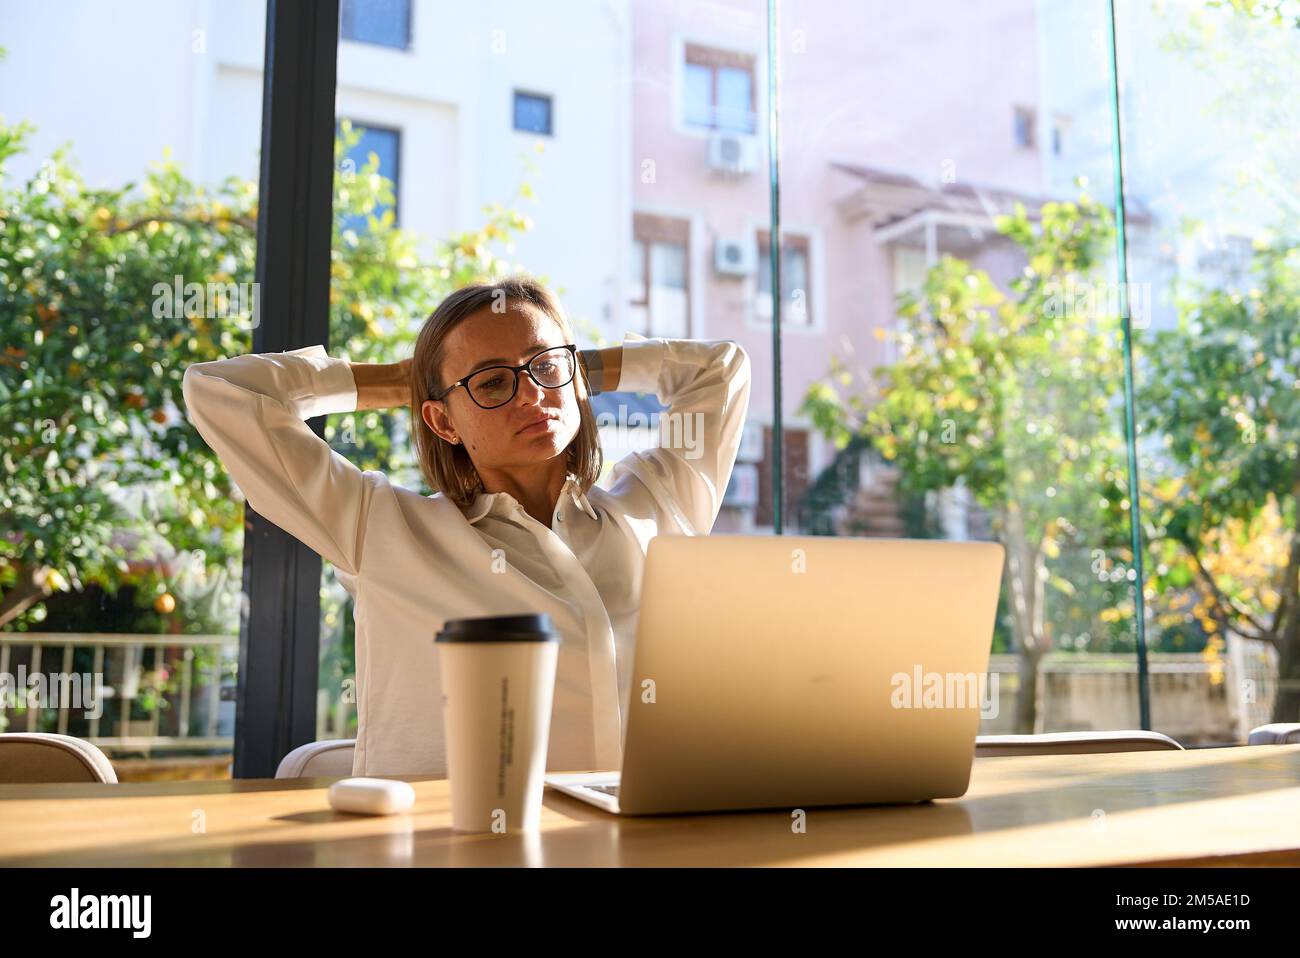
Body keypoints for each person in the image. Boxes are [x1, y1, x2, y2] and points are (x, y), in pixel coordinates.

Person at [182, 273, 752, 776]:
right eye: (492, 382)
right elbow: (221, 390)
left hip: (651, 843)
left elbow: (718, 370)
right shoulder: (377, 526)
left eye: (545, 366)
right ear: (441, 421)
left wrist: (582, 366)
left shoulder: (654, 503)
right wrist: (404, 382)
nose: (532, 394)